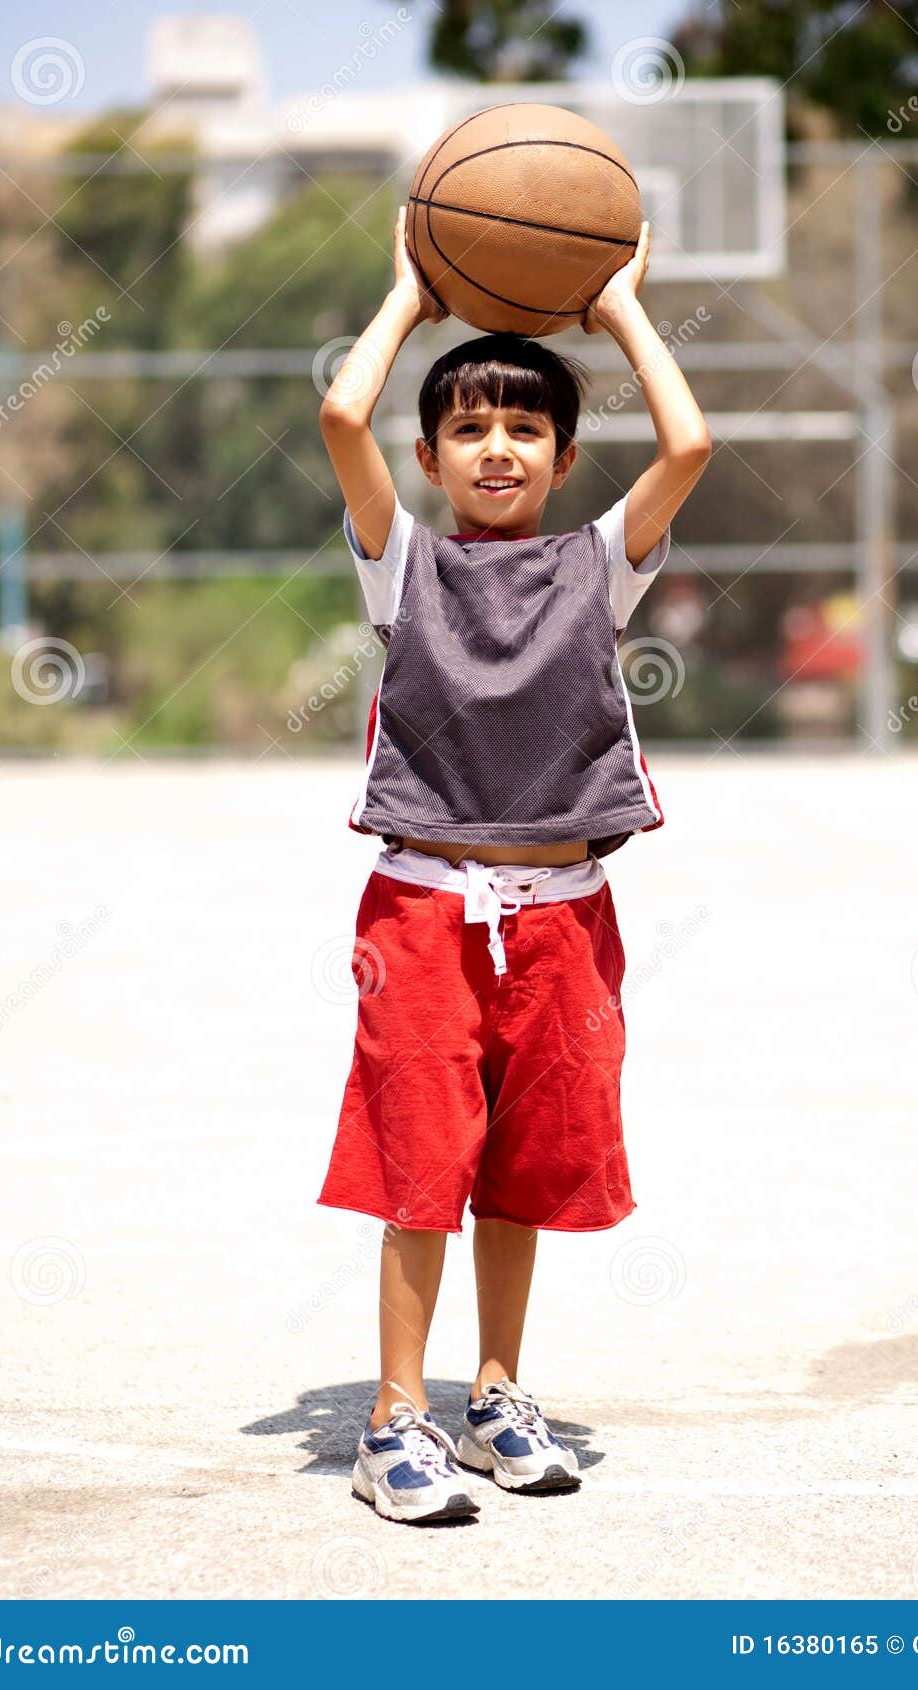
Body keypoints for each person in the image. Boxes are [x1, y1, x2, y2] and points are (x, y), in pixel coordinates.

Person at [316, 205, 711, 1525]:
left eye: (525, 427)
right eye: (470, 428)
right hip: (425, 916)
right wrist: (409, 300)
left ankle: (495, 1394)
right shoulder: (400, 564)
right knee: (423, 1166)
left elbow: (691, 442)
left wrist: (620, 310)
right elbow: (338, 419)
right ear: (426, 456)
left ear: (561, 455)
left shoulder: (596, 569)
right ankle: (391, 1419)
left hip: (566, 922)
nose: (497, 446)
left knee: (523, 1167)